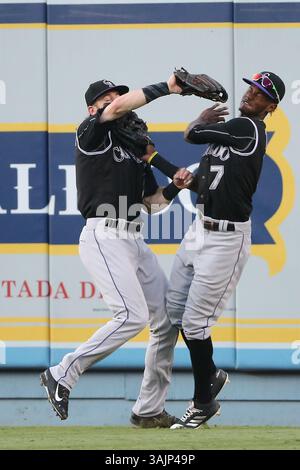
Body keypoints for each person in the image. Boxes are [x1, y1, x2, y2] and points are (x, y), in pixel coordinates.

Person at [136, 71, 285, 429]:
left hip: (226, 240)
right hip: (199, 230)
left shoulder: (248, 128)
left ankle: (204, 400)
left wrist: (197, 121)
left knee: (195, 323)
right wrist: (172, 171)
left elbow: (192, 134)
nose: (251, 94)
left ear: (271, 106)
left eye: (261, 92)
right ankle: (203, 380)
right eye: (252, 87)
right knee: (173, 317)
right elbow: (205, 180)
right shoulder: (234, 132)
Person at [40, 74, 192, 424]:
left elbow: (151, 204)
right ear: (93, 108)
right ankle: (63, 372)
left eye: (117, 95)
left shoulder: (135, 151)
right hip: (103, 236)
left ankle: (148, 409)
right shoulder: (89, 133)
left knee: (167, 321)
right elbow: (119, 108)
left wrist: (174, 187)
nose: (115, 100)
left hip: (134, 240)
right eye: (107, 97)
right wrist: (168, 87)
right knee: (132, 316)